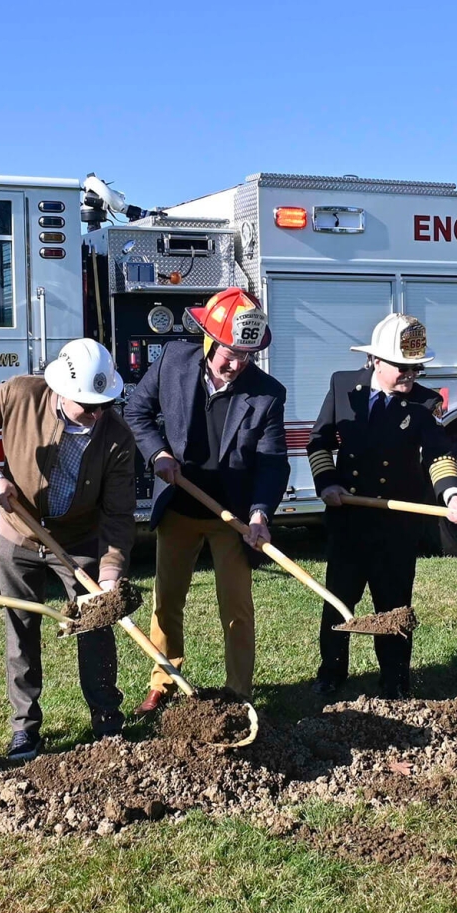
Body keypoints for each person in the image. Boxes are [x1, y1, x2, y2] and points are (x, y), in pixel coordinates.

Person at [0, 338, 136, 758]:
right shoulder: (20, 393)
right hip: (18, 534)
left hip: (78, 543)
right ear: (61, 390)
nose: (96, 414)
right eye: (86, 406)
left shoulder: (117, 438)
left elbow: (118, 514)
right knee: (20, 629)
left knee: (95, 627)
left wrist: (110, 574)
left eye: (104, 405)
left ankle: (107, 720)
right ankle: (25, 728)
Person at [122, 287, 288, 714]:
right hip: (179, 506)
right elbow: (137, 411)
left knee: (237, 607)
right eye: (231, 354)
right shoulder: (174, 361)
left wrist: (259, 514)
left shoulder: (267, 394)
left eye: (247, 356)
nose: (237, 365)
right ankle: (163, 680)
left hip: (232, 516)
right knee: (167, 602)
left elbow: (272, 463)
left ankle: (238, 692)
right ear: (209, 341)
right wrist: (158, 454)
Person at [307, 313, 457, 698]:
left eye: (415, 368)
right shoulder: (343, 386)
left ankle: (395, 681)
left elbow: (439, 455)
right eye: (402, 367)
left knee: (394, 606)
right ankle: (331, 674)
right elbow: (319, 442)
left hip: (397, 525)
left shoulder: (425, 402)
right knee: (338, 600)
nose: (410, 375)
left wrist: (452, 494)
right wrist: (327, 483)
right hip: (349, 518)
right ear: (376, 360)